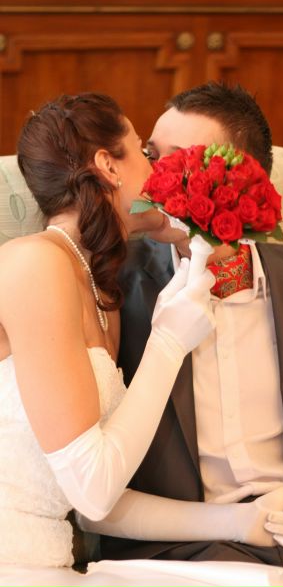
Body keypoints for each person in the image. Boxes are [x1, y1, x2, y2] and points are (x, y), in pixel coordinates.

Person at [97, 82, 283, 587]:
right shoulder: (114, 284)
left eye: (180, 161)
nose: (153, 176)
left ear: (240, 182)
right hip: (191, 552)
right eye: (151, 156)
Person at [0, 92, 219, 572]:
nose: (158, 169)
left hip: (49, 560)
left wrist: (239, 521)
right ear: (108, 165)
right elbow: (93, 490)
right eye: (144, 152)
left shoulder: (102, 290)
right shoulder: (34, 263)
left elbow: (99, 502)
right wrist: (169, 343)